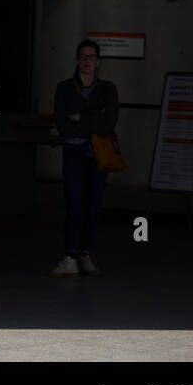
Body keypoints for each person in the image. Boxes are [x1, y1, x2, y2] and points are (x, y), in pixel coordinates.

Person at [50, 39, 119, 276]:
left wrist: (81, 117)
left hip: (98, 154)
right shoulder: (65, 88)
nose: (86, 60)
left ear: (98, 61)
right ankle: (70, 254)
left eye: (91, 56)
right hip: (74, 153)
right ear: (77, 59)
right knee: (74, 202)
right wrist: (93, 120)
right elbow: (63, 124)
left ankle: (85, 253)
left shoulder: (107, 89)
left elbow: (109, 123)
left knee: (93, 205)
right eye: (83, 56)